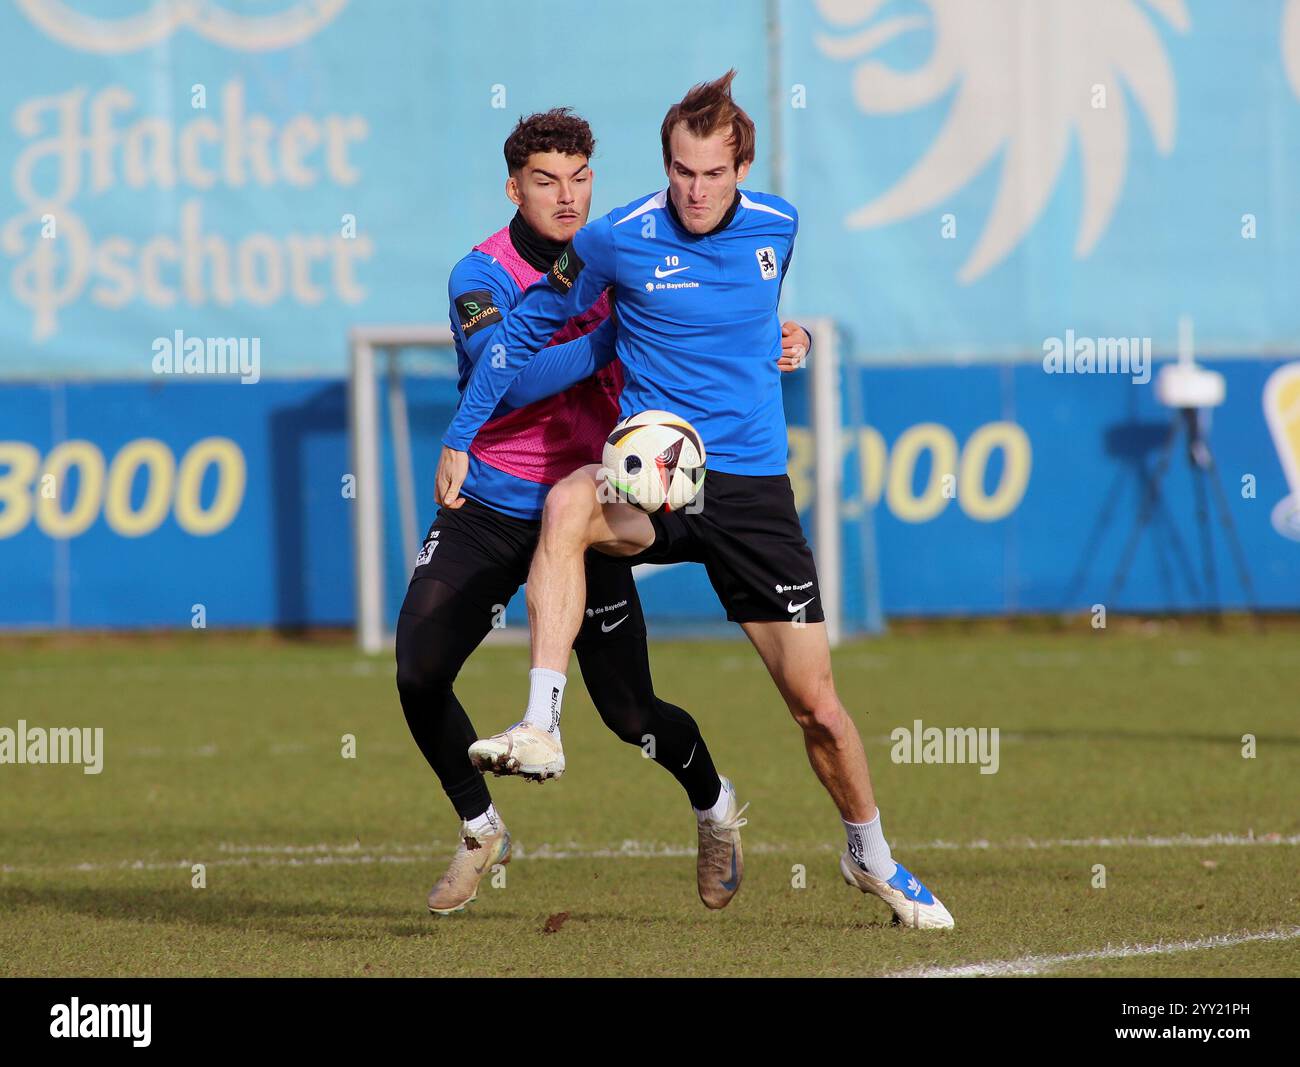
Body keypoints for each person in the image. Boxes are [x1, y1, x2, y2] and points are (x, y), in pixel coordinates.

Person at [436, 74, 953, 929]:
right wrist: (460, 432)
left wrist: (797, 337)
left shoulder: (779, 227)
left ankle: (872, 855)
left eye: (713, 173)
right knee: (568, 504)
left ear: (741, 166)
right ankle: (538, 723)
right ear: (665, 165)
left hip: (750, 489)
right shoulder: (613, 238)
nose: (695, 190)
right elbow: (525, 327)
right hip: (656, 475)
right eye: (681, 171)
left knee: (818, 709)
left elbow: (758, 310)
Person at [399, 107, 807, 915]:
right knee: (417, 669)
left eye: (581, 178)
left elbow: (710, 316)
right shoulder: (478, 277)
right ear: (513, 188)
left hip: (587, 506)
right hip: (492, 504)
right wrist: (617, 332)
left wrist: (771, 335)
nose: (567, 197)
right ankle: (482, 825)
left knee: (629, 713)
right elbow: (510, 379)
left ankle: (714, 801)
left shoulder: (623, 255)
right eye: (546, 181)